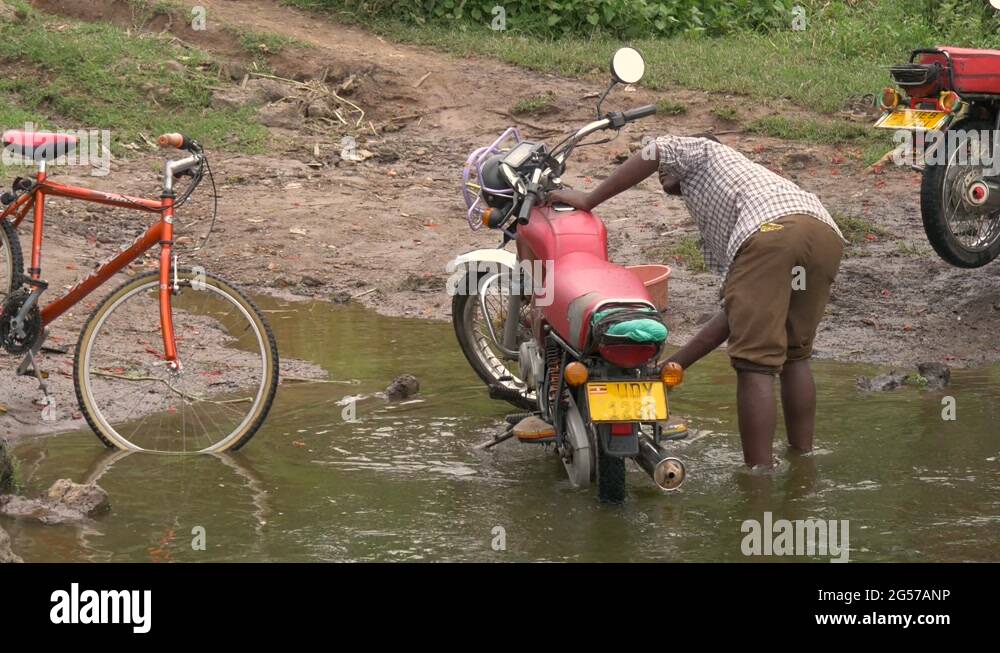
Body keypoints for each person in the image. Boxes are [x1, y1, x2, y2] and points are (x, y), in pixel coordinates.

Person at [548, 134, 845, 468]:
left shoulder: (703, 150)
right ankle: (802, 463)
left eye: (666, 172)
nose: (662, 176)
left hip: (776, 235)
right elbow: (734, 314)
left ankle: (758, 481)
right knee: (794, 355)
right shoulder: (742, 188)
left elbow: (655, 148)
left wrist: (589, 199)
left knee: (755, 363)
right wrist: (671, 369)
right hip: (823, 235)